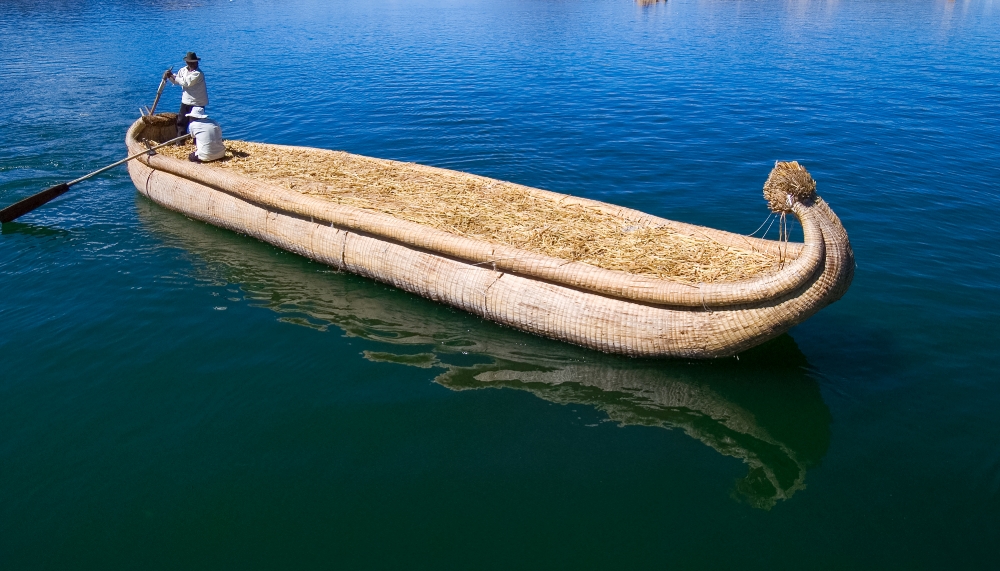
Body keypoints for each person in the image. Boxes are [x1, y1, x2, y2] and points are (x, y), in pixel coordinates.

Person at [163, 52, 209, 139]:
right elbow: (177, 81)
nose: (195, 64)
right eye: (192, 63)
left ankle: (197, 143)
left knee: (196, 124)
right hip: (186, 100)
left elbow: (186, 83)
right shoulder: (183, 70)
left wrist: (172, 75)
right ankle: (180, 141)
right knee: (181, 121)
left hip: (197, 102)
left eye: (195, 62)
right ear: (188, 63)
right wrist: (169, 76)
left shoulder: (198, 73)